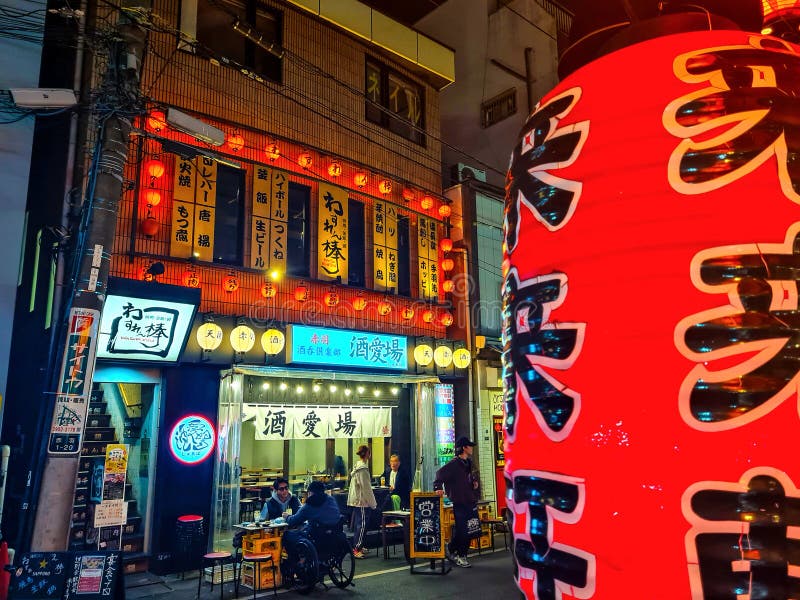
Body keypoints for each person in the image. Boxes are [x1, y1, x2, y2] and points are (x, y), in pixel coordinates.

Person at [433, 436, 479, 568]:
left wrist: (473, 482)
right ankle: (461, 555)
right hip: (459, 501)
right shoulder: (453, 464)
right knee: (463, 530)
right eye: (470, 446)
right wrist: (437, 488)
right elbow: (439, 475)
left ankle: (452, 548)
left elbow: (469, 477)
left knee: (470, 529)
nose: (472, 448)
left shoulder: (468, 463)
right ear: (464, 448)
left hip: (470, 499)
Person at [282, 480, 341, 571]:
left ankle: (298, 561)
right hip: (334, 537)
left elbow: (293, 520)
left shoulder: (310, 505)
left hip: (317, 538)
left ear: (310, 493)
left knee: (288, 535)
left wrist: (286, 517)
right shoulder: (330, 499)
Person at [347, 444, 376, 559]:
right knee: (362, 525)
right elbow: (366, 488)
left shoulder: (357, 466)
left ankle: (359, 545)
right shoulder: (363, 469)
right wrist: (373, 503)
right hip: (362, 501)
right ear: (367, 454)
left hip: (358, 500)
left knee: (360, 524)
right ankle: (356, 548)